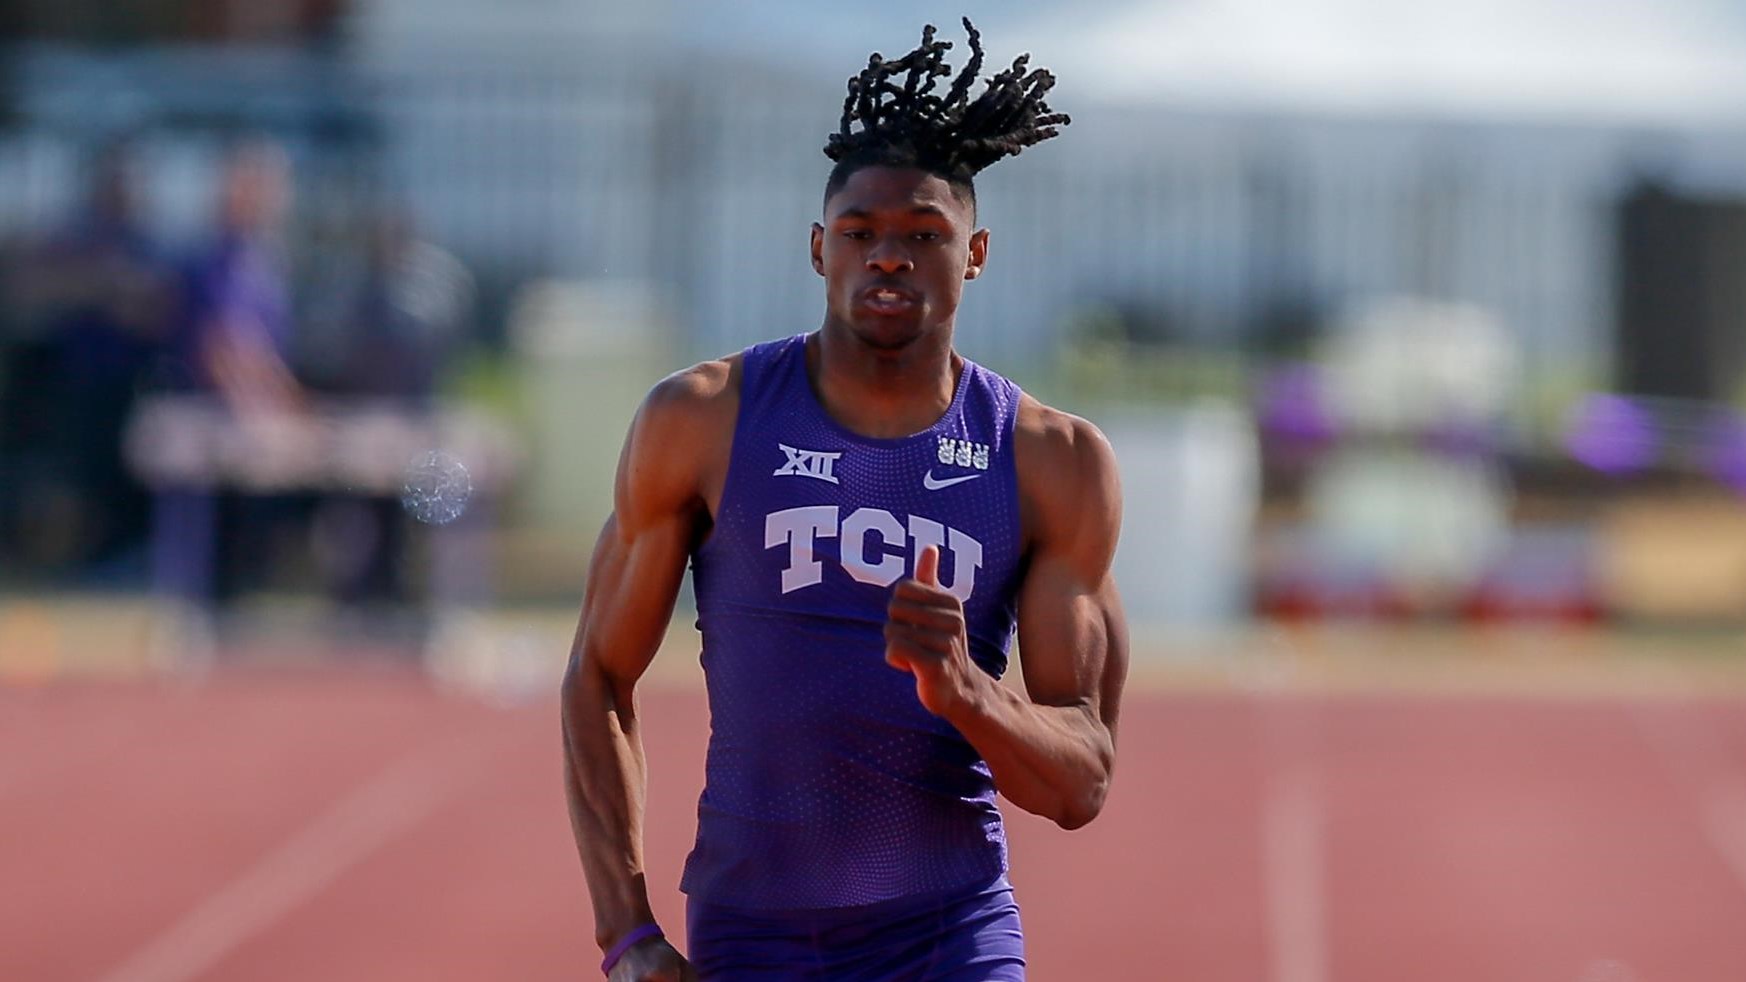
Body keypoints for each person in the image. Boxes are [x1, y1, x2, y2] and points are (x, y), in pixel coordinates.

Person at [561, 20, 1128, 982]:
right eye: (862, 234)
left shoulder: (1049, 459)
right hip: (752, 930)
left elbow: (1082, 781)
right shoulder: (701, 421)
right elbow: (598, 677)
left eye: (923, 235)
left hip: (947, 930)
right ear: (821, 248)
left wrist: (968, 692)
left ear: (977, 252)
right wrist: (626, 935)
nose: (890, 258)